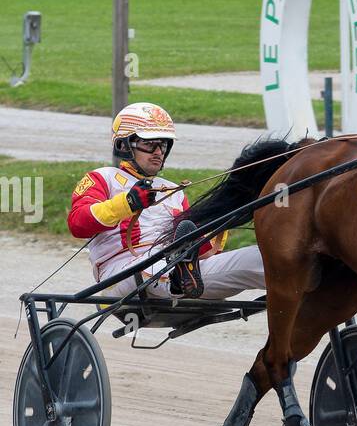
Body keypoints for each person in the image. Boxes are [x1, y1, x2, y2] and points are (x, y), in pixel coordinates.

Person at [67, 102, 265, 300]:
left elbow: (203, 251)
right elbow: (77, 223)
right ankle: (177, 276)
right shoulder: (102, 177)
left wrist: (222, 221)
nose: (158, 152)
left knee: (260, 258)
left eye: (162, 144)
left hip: (178, 267)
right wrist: (127, 203)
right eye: (149, 144)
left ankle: (294, 278)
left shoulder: (174, 191)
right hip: (120, 274)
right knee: (154, 263)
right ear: (123, 145)